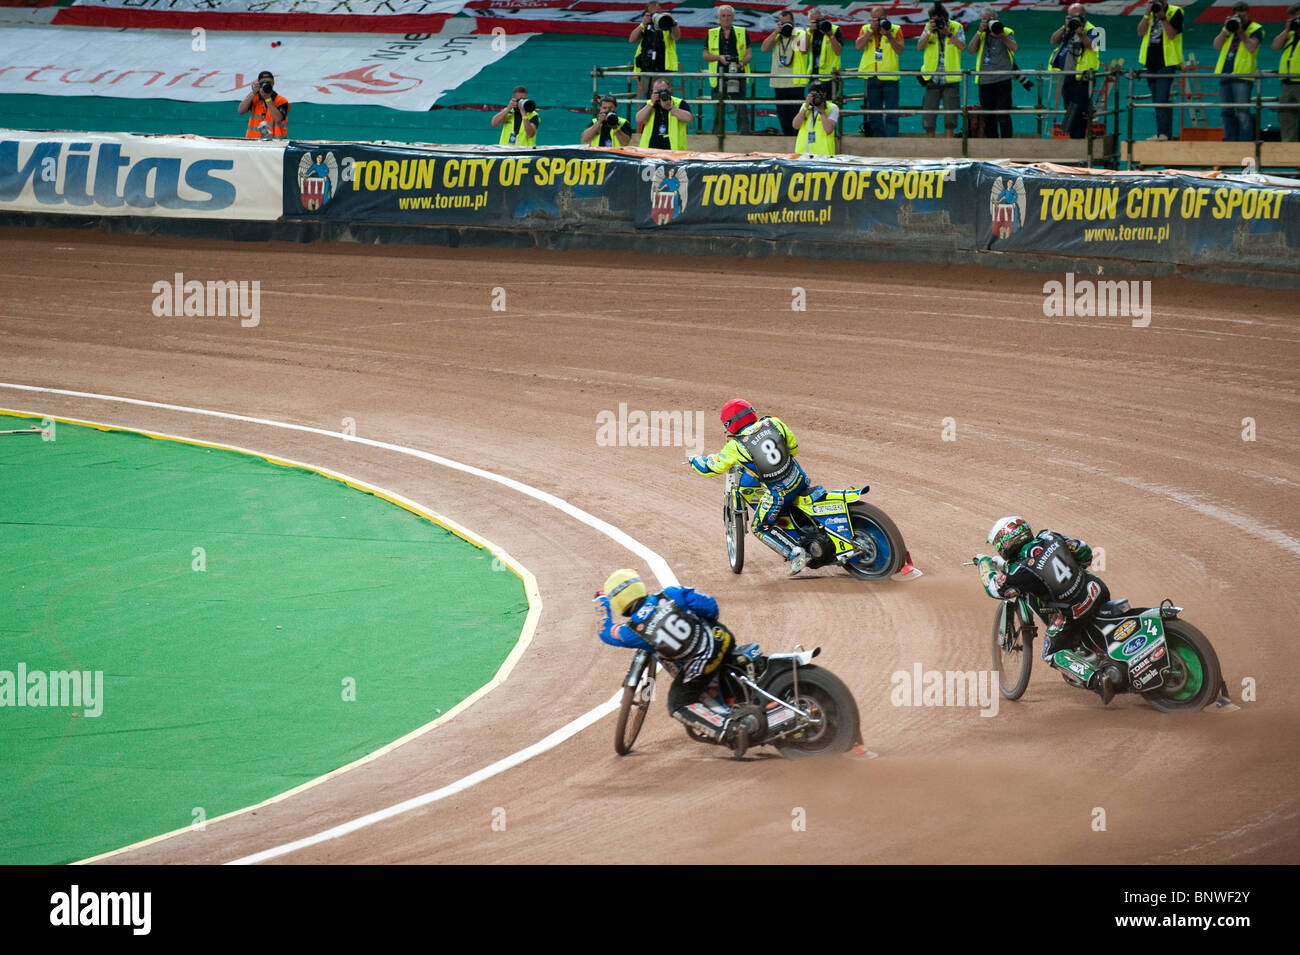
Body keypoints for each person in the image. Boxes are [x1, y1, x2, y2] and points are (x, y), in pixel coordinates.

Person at [596, 569, 763, 755]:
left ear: (618, 602)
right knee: (714, 653)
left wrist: (601, 602)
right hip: (721, 638)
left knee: (678, 702)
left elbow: (606, 632)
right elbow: (710, 607)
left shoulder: (632, 632)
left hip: (702, 662)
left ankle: (731, 730)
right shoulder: (670, 594)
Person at [974, 516, 1122, 705]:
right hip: (1096, 589)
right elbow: (1084, 552)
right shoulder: (1049, 536)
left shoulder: (1020, 572)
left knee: (1051, 651)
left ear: (1006, 542)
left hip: (1074, 611)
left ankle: (1096, 679)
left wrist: (984, 564)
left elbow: (995, 589)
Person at [689, 399, 813, 576]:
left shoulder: (736, 446)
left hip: (779, 494)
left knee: (759, 526)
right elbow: (793, 448)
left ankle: (797, 553)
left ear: (730, 424)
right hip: (800, 478)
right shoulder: (773, 422)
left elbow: (711, 468)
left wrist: (694, 461)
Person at [1049, 3, 1101, 139]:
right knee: (1069, 108)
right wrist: (1065, 26)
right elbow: (1053, 40)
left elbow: (1091, 46)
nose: (1073, 19)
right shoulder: (1067, 29)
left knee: (1079, 110)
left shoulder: (1094, 29)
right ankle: (1075, 139)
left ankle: (1079, 140)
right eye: (1070, 16)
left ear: (1083, 17)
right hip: (1069, 75)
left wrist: (1081, 33)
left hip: (1084, 77)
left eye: (1076, 16)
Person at [1214, 2, 1265, 142]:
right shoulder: (1229, 28)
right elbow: (1216, 45)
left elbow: (1251, 47)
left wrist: (1241, 31)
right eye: (1238, 14)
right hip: (1225, 74)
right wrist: (1225, 30)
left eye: (1243, 14)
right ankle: (1230, 141)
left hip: (1243, 76)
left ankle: (1245, 144)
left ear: (1248, 14)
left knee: (1243, 112)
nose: (1240, 17)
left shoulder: (1256, 28)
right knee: (1226, 112)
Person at [1137, 1, 1185, 141]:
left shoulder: (1175, 12)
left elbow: (1171, 35)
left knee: (1162, 99)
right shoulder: (1150, 14)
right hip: (1150, 62)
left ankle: (1164, 134)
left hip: (1166, 62)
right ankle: (1162, 133)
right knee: (1157, 100)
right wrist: (1147, 14)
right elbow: (1140, 32)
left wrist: (1163, 17)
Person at [855, 6, 905, 137]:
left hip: (890, 76)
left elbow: (900, 50)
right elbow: (858, 46)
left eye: (880, 19)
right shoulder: (865, 29)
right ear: (871, 19)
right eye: (874, 19)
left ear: (886, 17)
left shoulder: (895, 29)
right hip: (872, 76)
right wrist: (870, 31)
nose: (878, 22)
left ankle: (891, 141)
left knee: (892, 112)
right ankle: (878, 140)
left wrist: (889, 35)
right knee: (874, 113)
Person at [918, 3, 966, 138]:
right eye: (934, 20)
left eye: (940, 20)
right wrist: (929, 32)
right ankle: (930, 152)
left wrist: (948, 33)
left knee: (950, 119)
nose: (938, 23)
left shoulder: (956, 27)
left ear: (946, 19)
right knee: (928, 118)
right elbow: (919, 46)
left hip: (950, 78)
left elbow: (962, 46)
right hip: (932, 78)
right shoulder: (928, 28)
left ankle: (949, 152)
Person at [970, 8, 1018, 139]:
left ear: (996, 19)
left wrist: (1001, 35)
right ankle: (993, 146)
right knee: (989, 117)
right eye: (983, 20)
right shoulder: (982, 34)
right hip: (984, 81)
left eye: (989, 19)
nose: (987, 22)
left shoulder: (1006, 31)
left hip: (1002, 80)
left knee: (1003, 115)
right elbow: (971, 50)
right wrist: (979, 31)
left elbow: (1014, 47)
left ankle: (1007, 144)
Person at [705, 5, 753, 135]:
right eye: (723, 16)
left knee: (740, 107)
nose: (726, 19)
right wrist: (719, 57)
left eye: (729, 16)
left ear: (733, 17)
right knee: (718, 108)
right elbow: (705, 55)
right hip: (718, 75)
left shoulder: (742, 31)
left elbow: (749, 54)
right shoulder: (712, 33)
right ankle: (717, 135)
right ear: (719, 18)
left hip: (738, 74)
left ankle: (744, 135)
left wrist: (740, 63)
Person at [762, 10, 805, 134]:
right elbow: (764, 48)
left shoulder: (800, 33)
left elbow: (803, 49)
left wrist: (791, 33)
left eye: (788, 23)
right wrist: (776, 32)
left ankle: (797, 142)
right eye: (782, 23)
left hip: (795, 82)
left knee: (797, 119)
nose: (785, 26)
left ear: (793, 23)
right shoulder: (776, 36)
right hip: (779, 83)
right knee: (783, 118)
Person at [630, 2, 682, 100]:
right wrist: (643, 24)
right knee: (648, 98)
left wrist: (673, 23)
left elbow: (676, 37)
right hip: (646, 68)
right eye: (653, 13)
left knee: (664, 97)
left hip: (664, 69)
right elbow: (632, 40)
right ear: (647, 14)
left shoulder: (666, 24)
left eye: (658, 12)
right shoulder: (645, 27)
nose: (656, 15)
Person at [636, 76, 692, 150]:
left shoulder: (679, 103)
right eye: (657, 92)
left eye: (663, 91)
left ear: (669, 90)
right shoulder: (649, 104)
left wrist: (670, 107)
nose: (660, 94)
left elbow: (688, 118)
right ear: (652, 92)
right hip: (650, 148)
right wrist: (651, 104)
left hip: (673, 149)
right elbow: (639, 120)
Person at [1272, 3, 1300, 141]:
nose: (1297, 20)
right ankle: (1289, 155)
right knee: (1286, 118)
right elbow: (1275, 46)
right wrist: (1287, 30)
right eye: (1294, 17)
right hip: (1287, 84)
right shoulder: (1290, 34)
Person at [798, 6, 845, 85]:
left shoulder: (834, 29)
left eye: (819, 20)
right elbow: (803, 51)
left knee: (830, 97)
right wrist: (809, 32)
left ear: (824, 19)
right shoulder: (808, 32)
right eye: (814, 22)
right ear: (810, 22)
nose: (817, 24)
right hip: (814, 74)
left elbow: (838, 52)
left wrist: (831, 35)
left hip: (830, 75)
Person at [792, 80, 839, 154]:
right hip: (803, 153)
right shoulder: (805, 106)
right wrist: (806, 107)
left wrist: (822, 111)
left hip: (823, 154)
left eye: (818, 94)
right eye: (813, 95)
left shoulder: (832, 108)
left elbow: (829, 130)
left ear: (824, 94)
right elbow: (795, 125)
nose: (816, 97)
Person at [238, 71, 288, 140]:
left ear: (273, 83)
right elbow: (241, 111)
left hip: (275, 142)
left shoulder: (281, 100)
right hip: (253, 141)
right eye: (263, 83)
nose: (266, 85)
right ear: (259, 83)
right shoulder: (254, 97)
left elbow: (278, 119)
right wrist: (253, 93)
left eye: (268, 82)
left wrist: (268, 99)